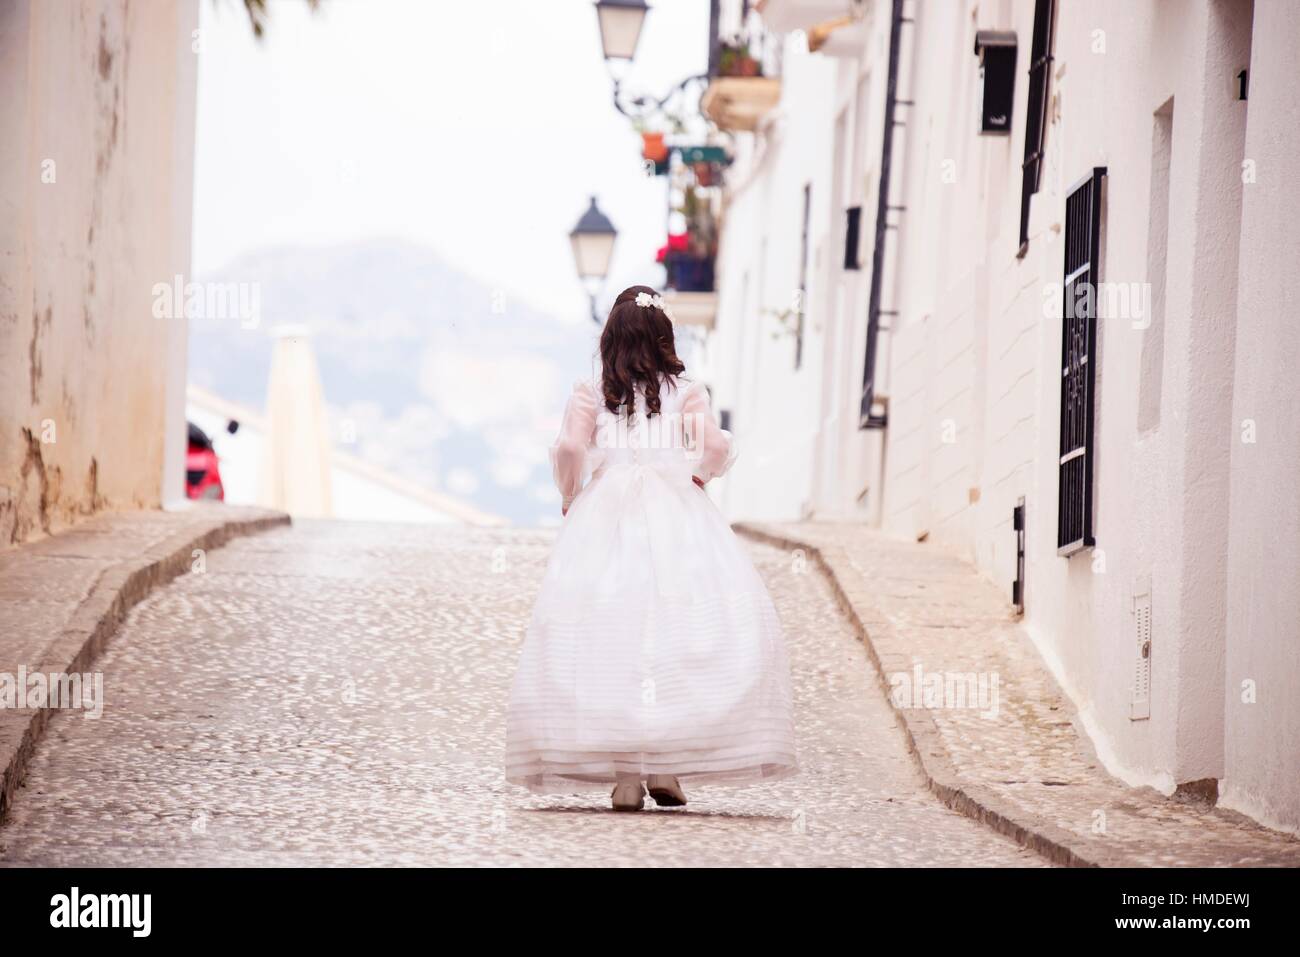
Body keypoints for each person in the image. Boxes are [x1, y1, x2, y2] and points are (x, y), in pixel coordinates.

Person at [505, 285, 798, 811]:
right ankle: (665, 767)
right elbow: (709, 446)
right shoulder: (683, 389)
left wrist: (572, 493)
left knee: (610, 637)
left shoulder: (592, 390)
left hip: (605, 521)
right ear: (664, 335)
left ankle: (625, 779)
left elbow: (572, 447)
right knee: (674, 635)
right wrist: (698, 477)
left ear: (610, 336)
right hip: (675, 517)